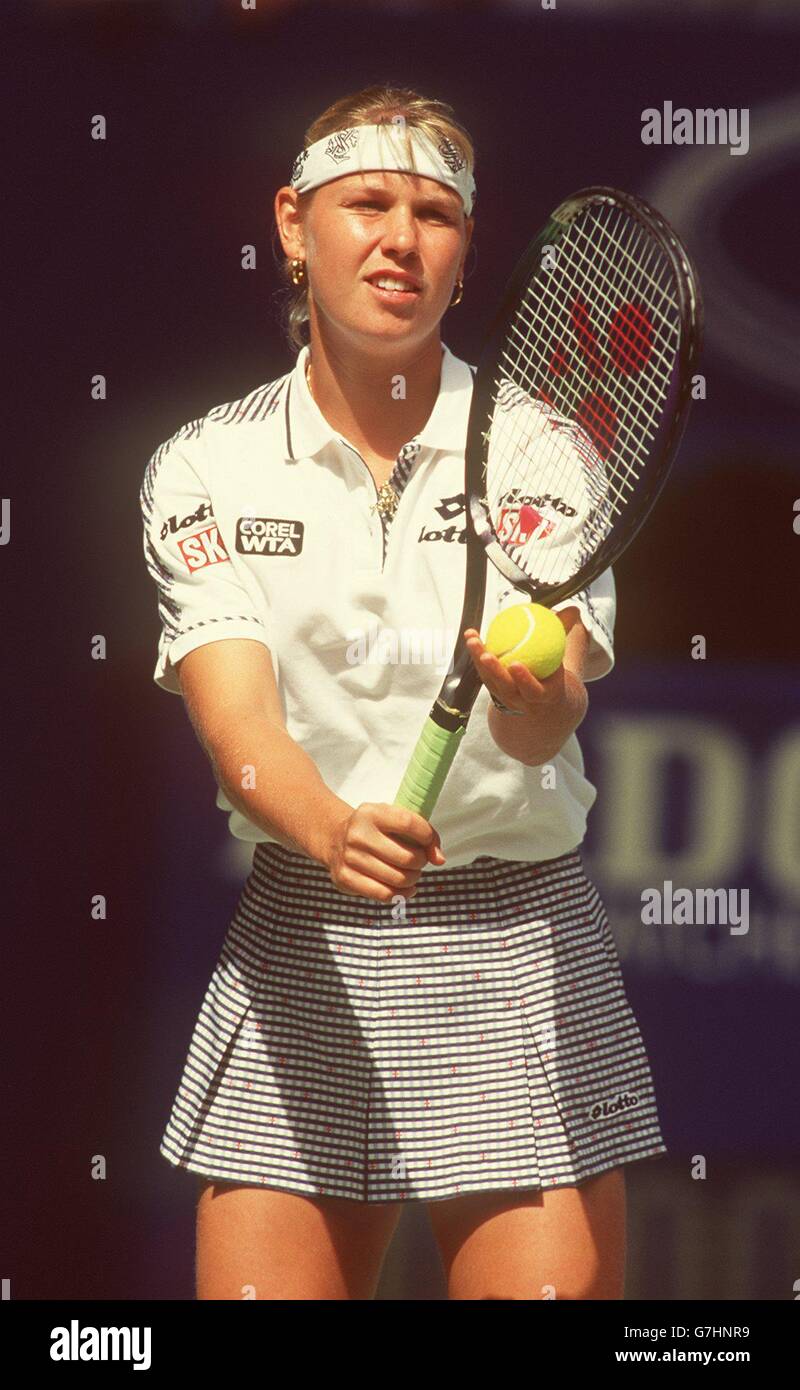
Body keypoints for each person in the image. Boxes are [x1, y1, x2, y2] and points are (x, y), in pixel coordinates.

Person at [140, 84, 666, 1301]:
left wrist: (527, 693)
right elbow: (239, 730)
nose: (399, 237)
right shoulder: (201, 464)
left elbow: (552, 715)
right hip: (302, 946)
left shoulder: (541, 448)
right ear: (291, 221)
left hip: (513, 942)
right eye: (366, 202)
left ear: (466, 249)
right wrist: (330, 828)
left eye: (434, 214)